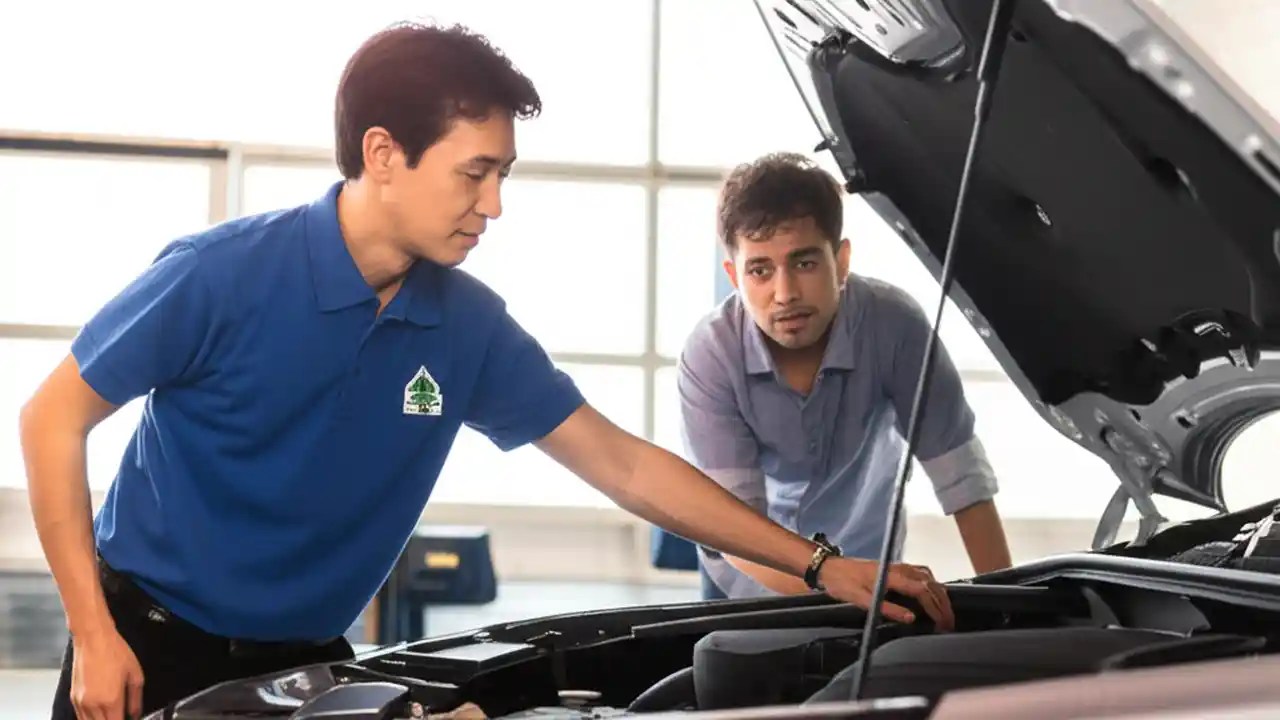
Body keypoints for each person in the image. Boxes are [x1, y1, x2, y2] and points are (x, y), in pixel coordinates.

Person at [19, 22, 954, 720]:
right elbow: (50, 419)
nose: (495, 204)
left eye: (503, 173)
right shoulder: (219, 274)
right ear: (384, 154)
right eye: (475, 173)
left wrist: (823, 565)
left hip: (309, 666)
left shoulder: (464, 325)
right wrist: (93, 634)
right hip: (141, 647)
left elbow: (623, 465)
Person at [677, 152, 1013, 600]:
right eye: (760, 270)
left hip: (867, 566)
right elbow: (737, 529)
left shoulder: (896, 326)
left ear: (842, 260)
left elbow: (962, 477)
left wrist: (1009, 606)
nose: (785, 294)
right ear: (734, 276)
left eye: (805, 262)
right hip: (745, 575)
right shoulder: (709, 354)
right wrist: (830, 581)